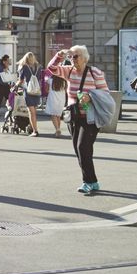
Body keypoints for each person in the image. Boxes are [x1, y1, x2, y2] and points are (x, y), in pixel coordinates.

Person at [46, 46, 112, 194]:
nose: (72, 59)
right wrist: (60, 56)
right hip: (73, 117)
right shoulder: (69, 70)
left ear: (84, 58)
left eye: (75, 57)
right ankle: (93, 181)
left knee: (83, 147)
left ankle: (87, 182)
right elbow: (51, 68)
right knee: (80, 150)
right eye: (71, 57)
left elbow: (105, 94)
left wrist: (90, 97)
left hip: (90, 117)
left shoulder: (95, 73)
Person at [16, 52, 42, 136]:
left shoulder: (24, 67)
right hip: (37, 91)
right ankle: (32, 127)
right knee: (34, 110)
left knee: (31, 112)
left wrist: (15, 86)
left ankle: (35, 131)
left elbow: (21, 80)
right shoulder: (39, 67)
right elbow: (40, 78)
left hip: (29, 91)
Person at [44, 68, 66, 135]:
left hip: (52, 98)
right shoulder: (64, 80)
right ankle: (58, 128)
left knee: (53, 115)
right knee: (58, 115)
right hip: (61, 99)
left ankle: (57, 129)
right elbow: (66, 90)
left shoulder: (50, 79)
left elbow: (46, 90)